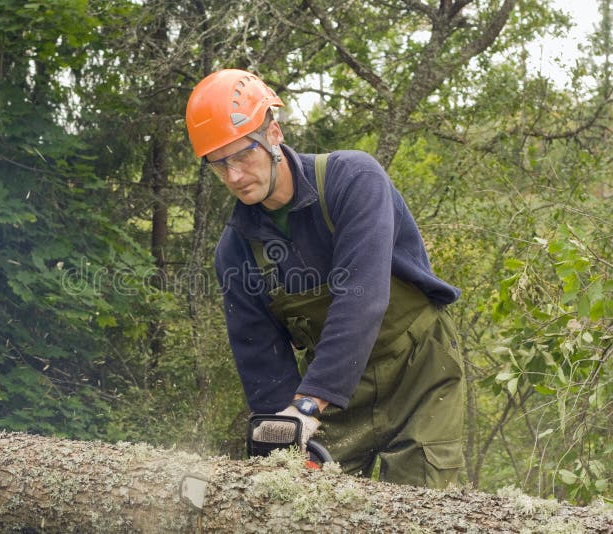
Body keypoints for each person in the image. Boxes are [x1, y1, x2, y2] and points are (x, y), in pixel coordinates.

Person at [185, 69, 465, 488]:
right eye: (219, 164)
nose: (235, 176)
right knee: (292, 495)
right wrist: (282, 441)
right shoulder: (236, 249)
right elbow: (260, 357)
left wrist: (309, 404)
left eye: (243, 155)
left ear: (274, 134)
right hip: (332, 394)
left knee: (421, 502)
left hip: (417, 372)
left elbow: (362, 298)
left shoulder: (353, 180)